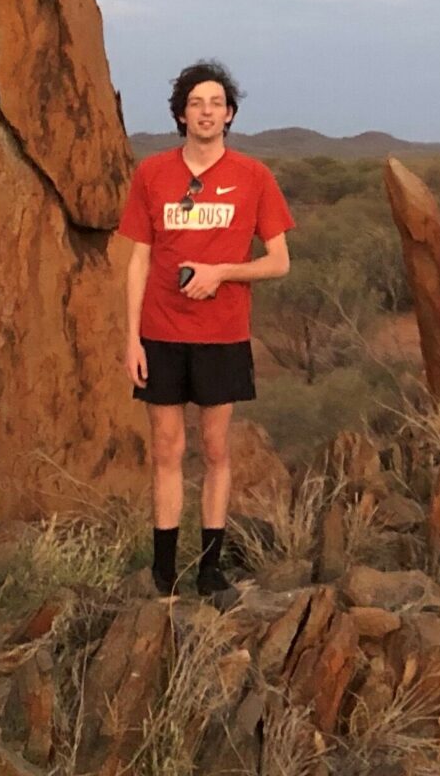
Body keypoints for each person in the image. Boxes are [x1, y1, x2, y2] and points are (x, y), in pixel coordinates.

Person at [120, 60, 294, 597]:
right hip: (161, 332)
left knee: (217, 449)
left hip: (222, 334)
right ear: (180, 113)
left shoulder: (253, 177)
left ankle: (211, 569)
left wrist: (222, 272)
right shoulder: (152, 174)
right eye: (196, 103)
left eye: (216, 103)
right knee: (166, 449)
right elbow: (137, 261)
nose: (206, 111)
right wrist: (131, 339)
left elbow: (279, 261)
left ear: (230, 114)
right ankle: (164, 570)